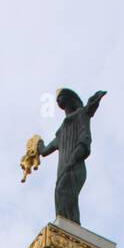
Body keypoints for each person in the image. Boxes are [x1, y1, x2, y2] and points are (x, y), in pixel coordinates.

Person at [37, 88, 107, 225]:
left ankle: (71, 231)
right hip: (63, 168)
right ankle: (65, 229)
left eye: (61, 96)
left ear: (70, 99)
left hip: (75, 164)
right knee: (59, 193)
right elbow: (45, 150)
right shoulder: (61, 131)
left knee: (64, 192)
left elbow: (85, 140)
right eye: (57, 98)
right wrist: (37, 142)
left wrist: (73, 159)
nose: (58, 99)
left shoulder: (81, 114)